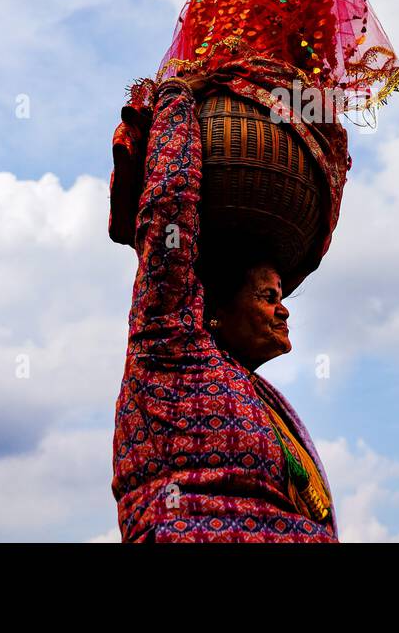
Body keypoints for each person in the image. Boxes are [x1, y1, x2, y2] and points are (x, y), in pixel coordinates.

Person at [111, 72, 338, 542]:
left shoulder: (265, 400)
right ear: (213, 308)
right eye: (268, 296)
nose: (285, 311)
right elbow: (168, 214)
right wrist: (177, 99)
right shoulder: (170, 347)